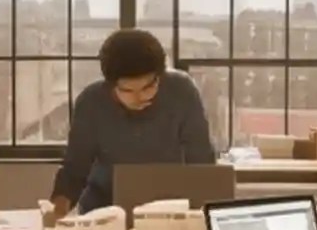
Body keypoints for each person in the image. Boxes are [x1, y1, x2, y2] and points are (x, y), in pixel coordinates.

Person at [50, 29, 215, 218]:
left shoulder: (182, 91)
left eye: (148, 87)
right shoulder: (90, 103)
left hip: (169, 207)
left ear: (159, 76)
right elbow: (75, 170)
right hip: (106, 211)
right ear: (111, 85)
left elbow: (202, 162)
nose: (139, 97)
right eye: (128, 91)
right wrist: (56, 212)